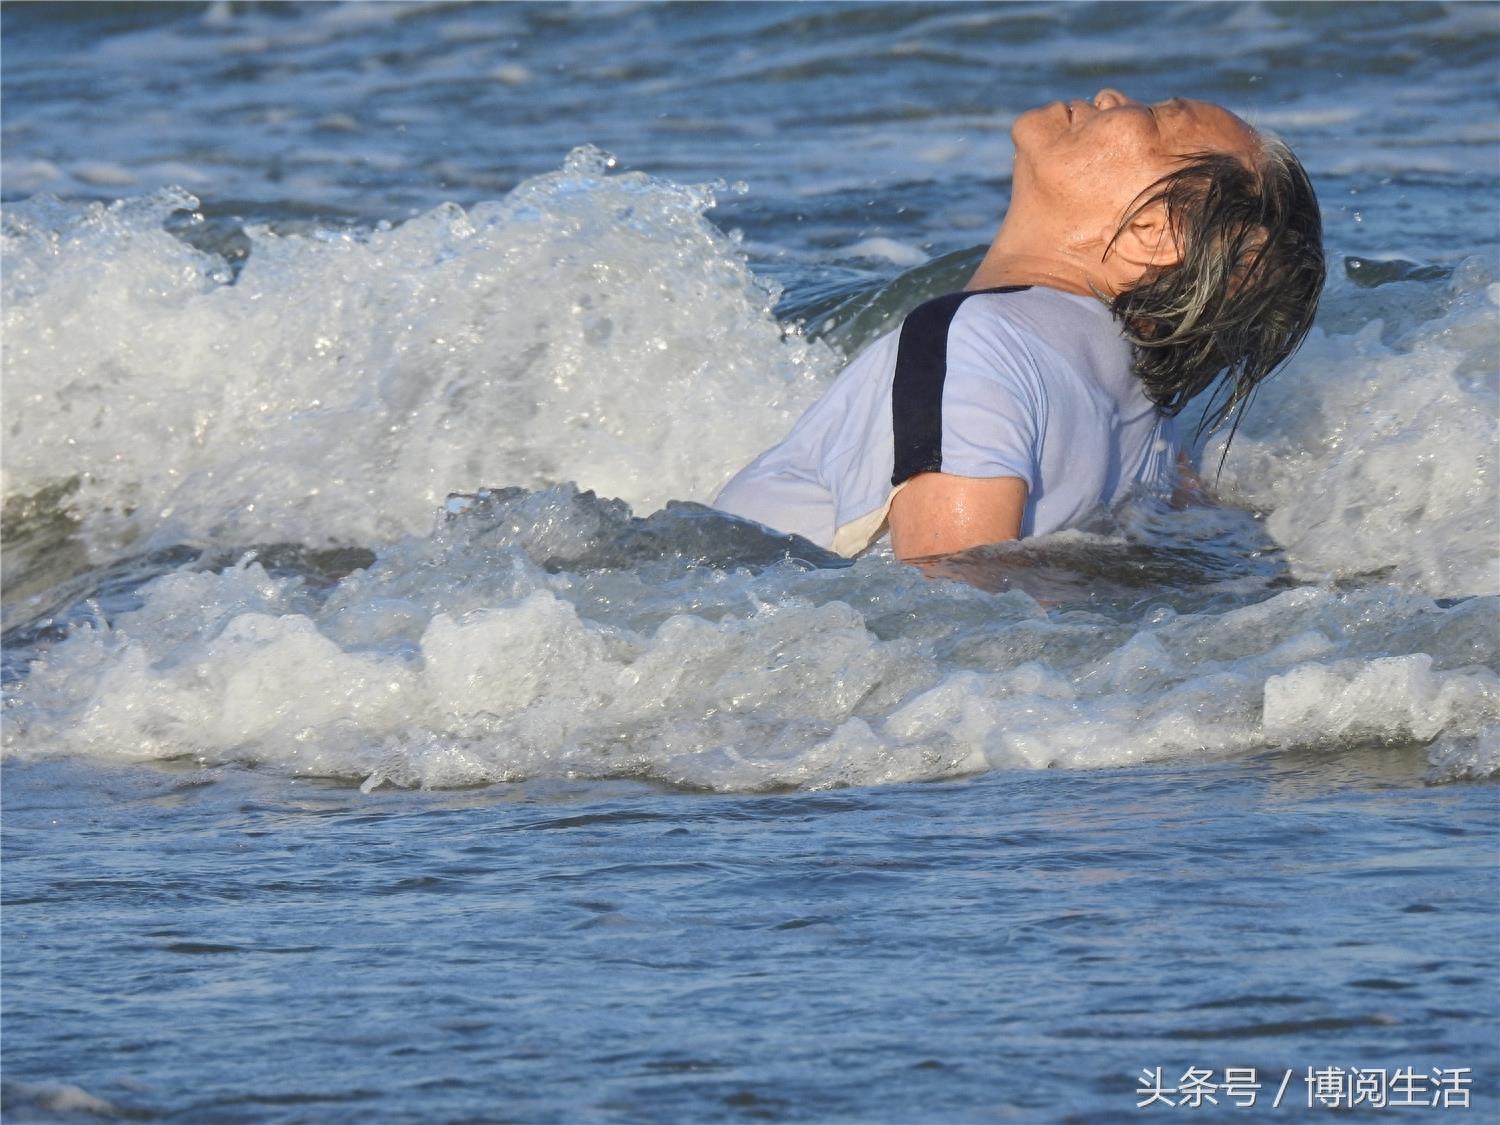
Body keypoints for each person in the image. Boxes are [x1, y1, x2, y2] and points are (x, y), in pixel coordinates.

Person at [713, 89, 1325, 562]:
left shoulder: (972, 338)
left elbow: (951, 602)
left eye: (1160, 118)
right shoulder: (1153, 419)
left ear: (1153, 232)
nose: (1113, 96)